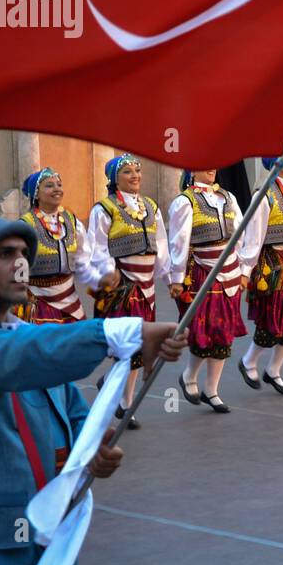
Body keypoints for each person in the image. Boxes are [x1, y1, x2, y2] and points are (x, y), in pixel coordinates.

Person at [0, 216, 186, 565]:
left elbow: (72, 415)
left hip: (50, 539)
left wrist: (91, 448)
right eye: (5, 254)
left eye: (24, 253)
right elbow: (15, 357)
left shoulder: (31, 340)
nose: (20, 264)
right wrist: (125, 332)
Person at [86, 154, 169, 430]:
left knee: (139, 348)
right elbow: (97, 246)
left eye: (137, 171)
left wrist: (168, 276)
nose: (135, 176)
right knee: (129, 348)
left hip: (146, 286)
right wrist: (110, 272)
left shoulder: (150, 206)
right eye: (127, 172)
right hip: (125, 286)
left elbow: (161, 243)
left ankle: (124, 400)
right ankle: (124, 402)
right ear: (114, 179)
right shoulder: (105, 209)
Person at [167, 168, 252, 413]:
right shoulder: (185, 201)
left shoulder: (228, 197)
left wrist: (244, 269)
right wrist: (177, 277)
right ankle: (190, 375)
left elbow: (240, 233)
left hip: (231, 270)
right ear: (193, 171)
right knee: (206, 329)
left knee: (223, 331)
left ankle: (212, 390)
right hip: (203, 272)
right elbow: (179, 241)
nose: (212, 169)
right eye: (205, 165)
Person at [239, 153, 283, 396]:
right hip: (275, 265)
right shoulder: (263, 196)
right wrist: (245, 271)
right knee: (273, 322)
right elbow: (253, 238)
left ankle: (274, 369)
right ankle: (249, 360)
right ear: (274, 163)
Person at [15, 167, 109, 324]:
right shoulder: (25, 226)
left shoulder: (71, 221)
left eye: (59, 184)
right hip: (38, 305)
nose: (57, 189)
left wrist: (99, 280)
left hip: (72, 304)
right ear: (36, 194)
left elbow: (82, 264)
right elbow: (17, 274)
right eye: (49, 185)